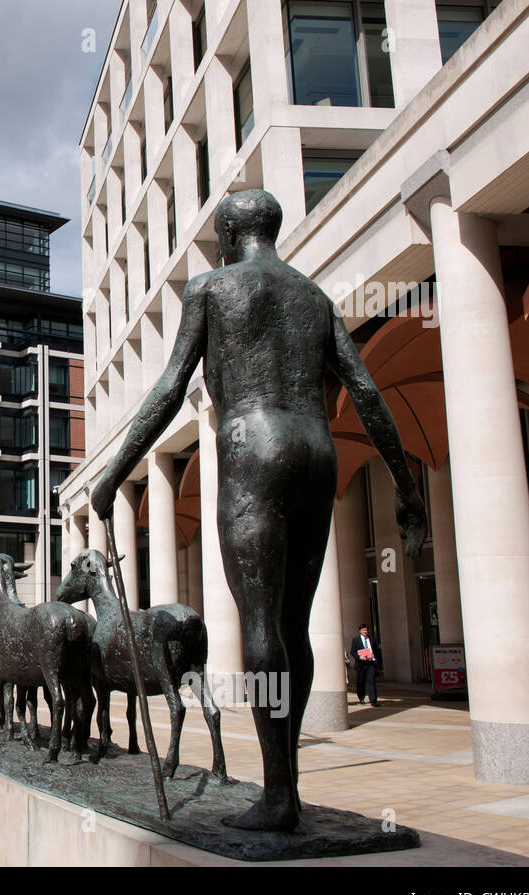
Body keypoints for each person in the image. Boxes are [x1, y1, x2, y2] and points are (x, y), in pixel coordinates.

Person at [91, 190, 425, 832]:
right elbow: (363, 388)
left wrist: (112, 475)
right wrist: (406, 489)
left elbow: (168, 387)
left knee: (260, 622)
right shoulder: (314, 297)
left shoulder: (211, 288)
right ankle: (286, 786)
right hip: (316, 452)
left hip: (252, 448)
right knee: (293, 626)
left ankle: (277, 795)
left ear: (225, 233)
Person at [346, 624, 380, 707]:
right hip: (361, 664)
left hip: (370, 663)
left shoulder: (372, 639)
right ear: (360, 631)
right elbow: (352, 652)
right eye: (363, 630)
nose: (365, 632)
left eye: (366, 630)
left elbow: (376, 650)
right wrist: (359, 657)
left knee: (371, 681)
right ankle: (361, 698)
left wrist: (376, 660)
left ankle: (373, 700)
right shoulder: (356, 640)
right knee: (361, 682)